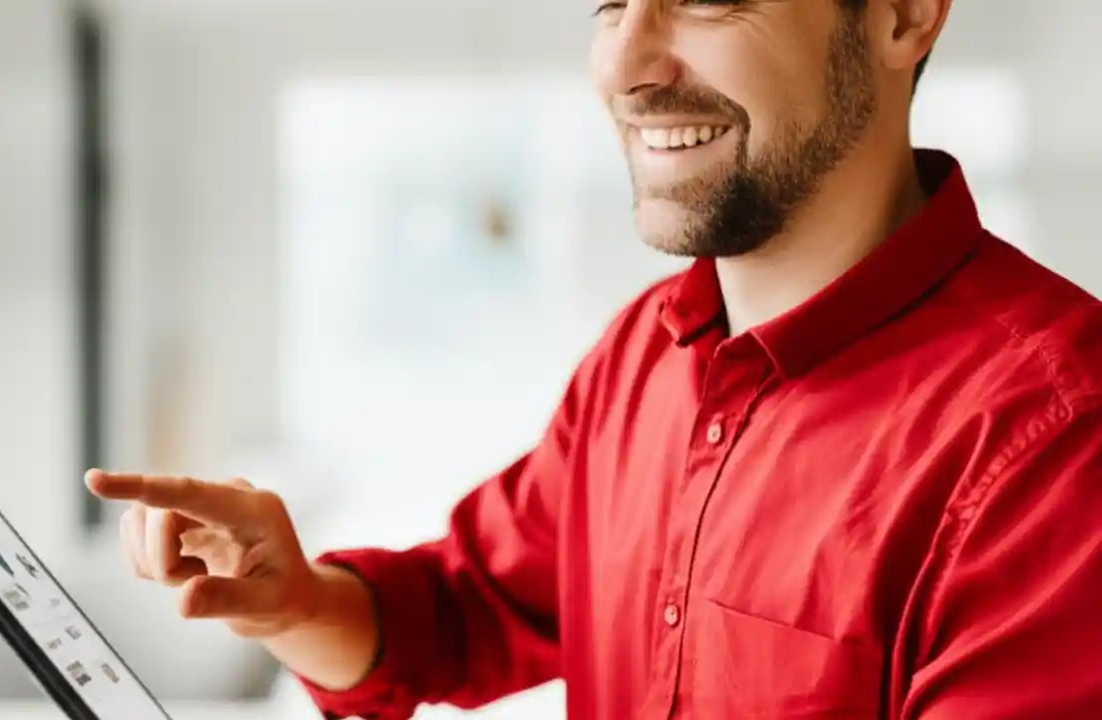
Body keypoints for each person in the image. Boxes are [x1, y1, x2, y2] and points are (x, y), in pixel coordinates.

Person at [86, 0, 1102, 717]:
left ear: (899, 15)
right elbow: (470, 607)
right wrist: (297, 599)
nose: (626, 64)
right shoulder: (641, 359)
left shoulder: (1056, 437)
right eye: (610, 2)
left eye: (705, 0)